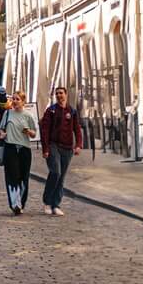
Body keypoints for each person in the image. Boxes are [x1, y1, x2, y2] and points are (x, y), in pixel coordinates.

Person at [40, 85, 83, 215]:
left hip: (67, 148)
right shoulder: (51, 111)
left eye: (61, 93)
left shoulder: (72, 111)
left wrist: (79, 145)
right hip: (53, 145)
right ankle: (47, 201)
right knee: (55, 172)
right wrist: (45, 148)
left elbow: (77, 128)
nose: (59, 95)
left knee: (62, 177)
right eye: (57, 93)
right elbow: (45, 131)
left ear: (66, 95)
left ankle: (56, 204)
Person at [0, 90, 40, 215]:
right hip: (10, 148)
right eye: (13, 99)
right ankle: (14, 203)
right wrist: (2, 134)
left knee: (23, 177)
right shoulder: (8, 114)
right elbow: (0, 129)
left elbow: (34, 134)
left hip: (24, 149)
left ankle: (21, 202)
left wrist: (28, 132)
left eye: (17, 99)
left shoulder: (28, 116)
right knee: (12, 176)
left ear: (23, 102)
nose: (14, 101)